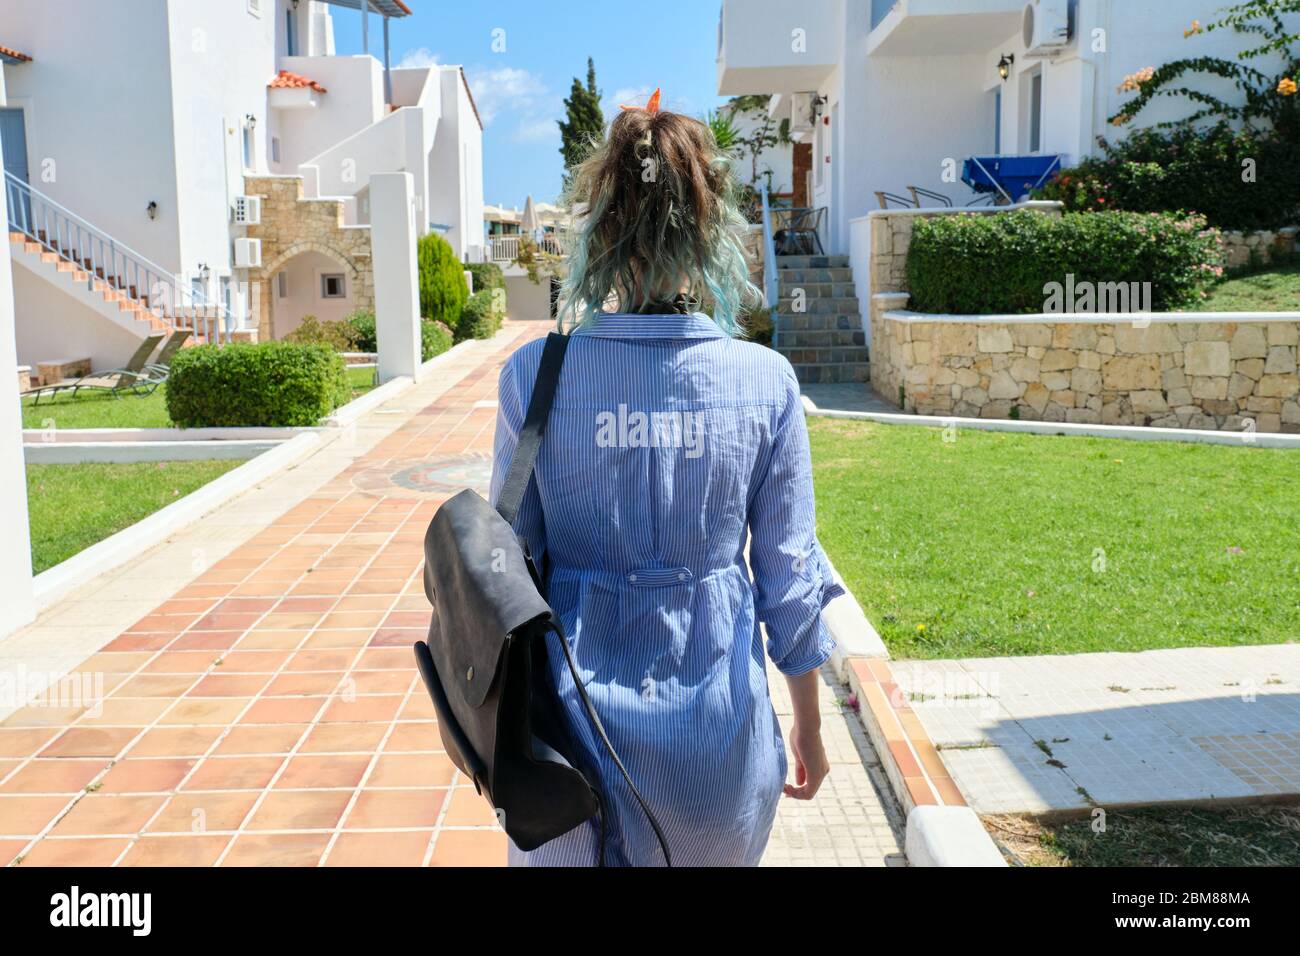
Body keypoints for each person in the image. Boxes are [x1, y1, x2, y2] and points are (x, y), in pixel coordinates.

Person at [489, 91, 844, 866]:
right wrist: (808, 724)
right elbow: (789, 575)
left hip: (567, 756)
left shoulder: (534, 375)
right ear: (711, 226)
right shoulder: (766, 381)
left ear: (603, 226)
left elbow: (507, 565)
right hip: (716, 745)